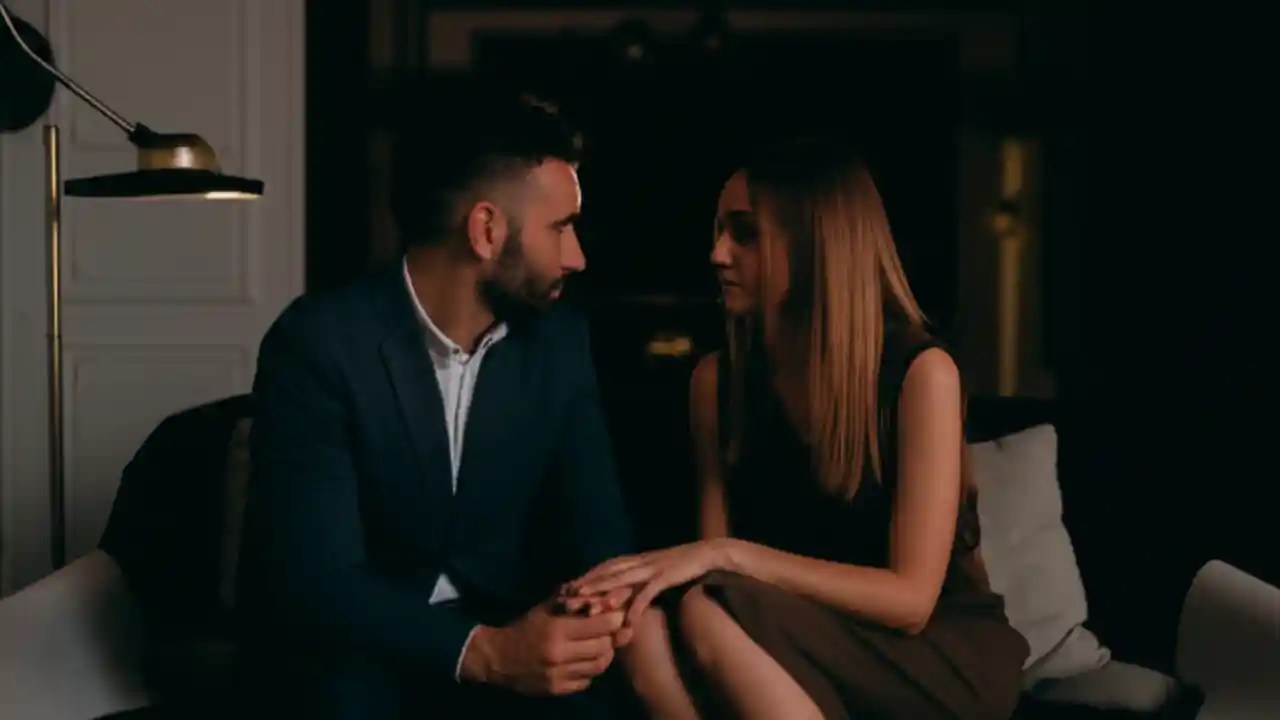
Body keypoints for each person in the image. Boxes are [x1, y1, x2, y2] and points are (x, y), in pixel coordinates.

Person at [562, 137, 1030, 720]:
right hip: (783, 633)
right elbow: (714, 574)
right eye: (718, 231)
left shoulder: (920, 374)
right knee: (638, 632)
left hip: (936, 656)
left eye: (744, 233)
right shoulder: (716, 383)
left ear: (815, 247)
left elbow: (909, 601)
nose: (717, 254)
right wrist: (624, 589)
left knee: (710, 609)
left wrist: (727, 555)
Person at [234, 86, 641, 719]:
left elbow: (597, 529)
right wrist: (486, 652)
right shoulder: (319, 343)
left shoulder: (560, 342)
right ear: (486, 230)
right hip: (355, 652)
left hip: (512, 634)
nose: (577, 257)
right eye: (560, 228)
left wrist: (588, 618)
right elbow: (314, 581)